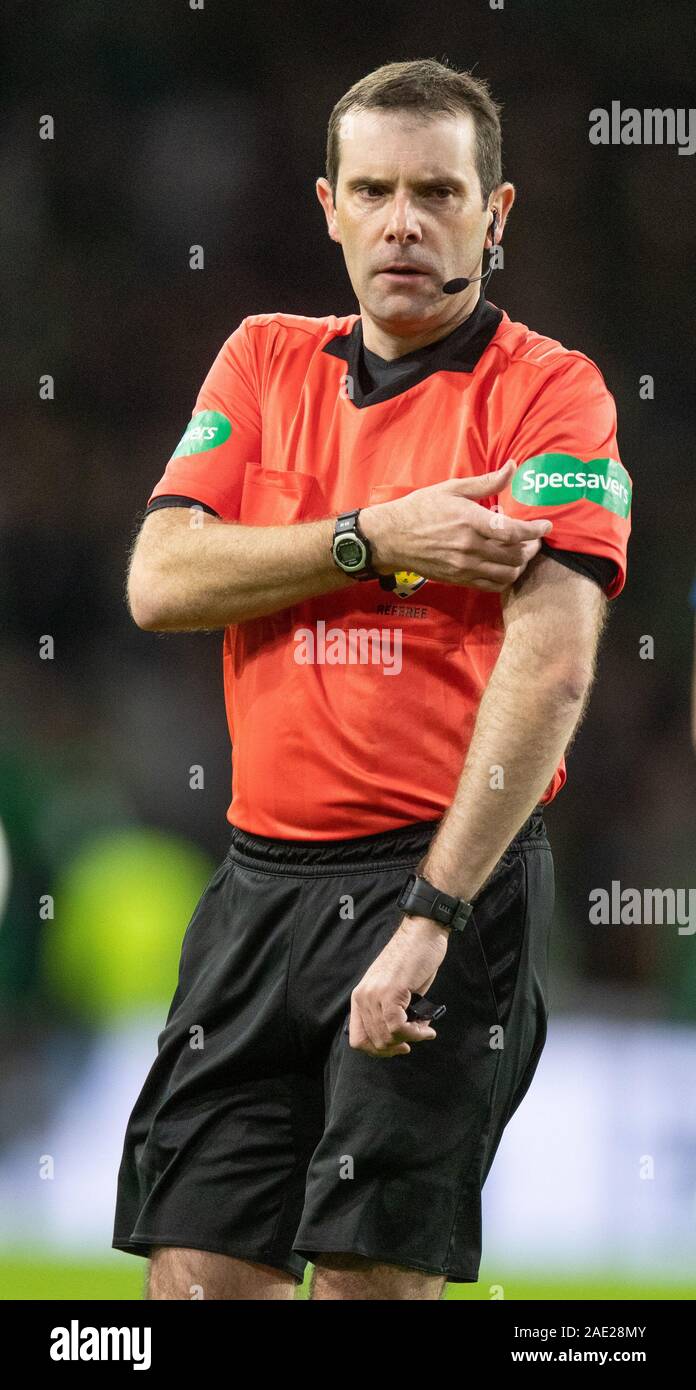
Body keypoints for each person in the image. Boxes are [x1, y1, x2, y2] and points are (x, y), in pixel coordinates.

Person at [112, 58, 632, 1300]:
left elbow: (552, 667)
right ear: (328, 208)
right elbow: (161, 580)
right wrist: (373, 537)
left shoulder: (554, 399)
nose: (404, 220)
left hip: (442, 882)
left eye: (439, 192)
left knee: (367, 1290)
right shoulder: (262, 359)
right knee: (192, 1281)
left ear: (494, 216)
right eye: (375, 190)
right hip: (256, 891)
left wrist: (434, 917)